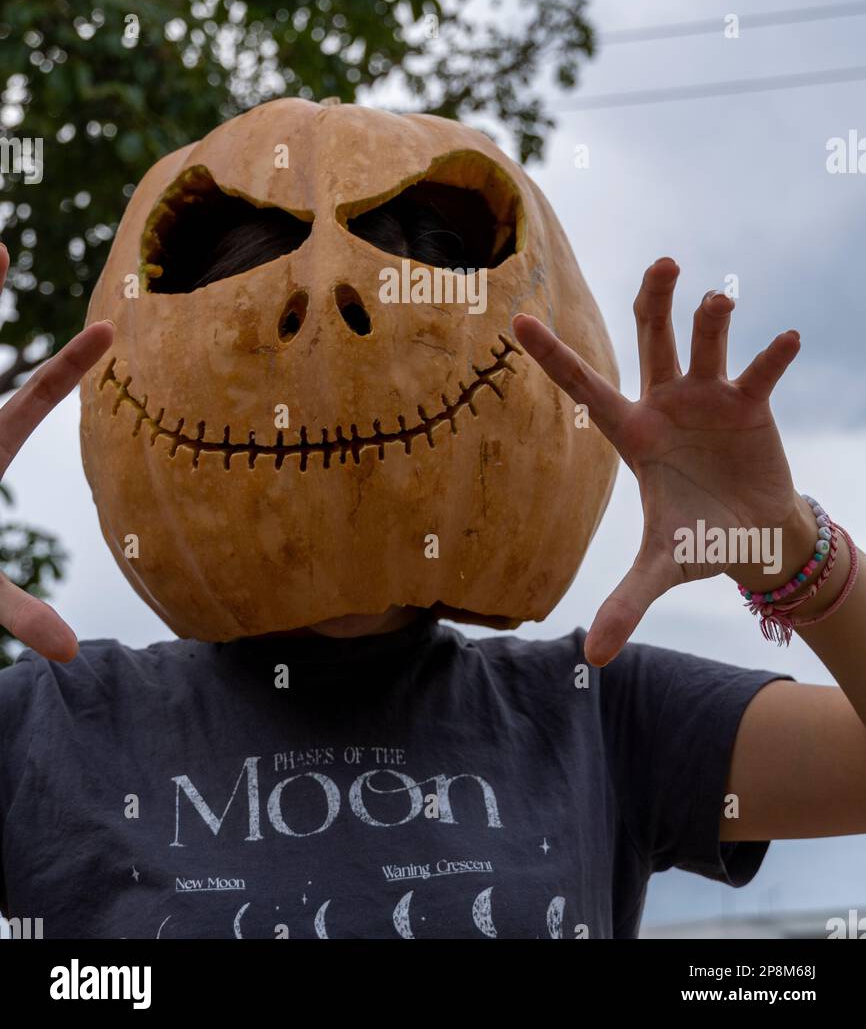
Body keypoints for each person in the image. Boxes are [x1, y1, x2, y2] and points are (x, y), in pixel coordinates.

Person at [0, 196, 864, 941]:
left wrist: (786, 548)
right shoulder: (48, 728)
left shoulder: (598, 716)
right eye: (269, 372)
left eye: (394, 368)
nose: (334, 417)